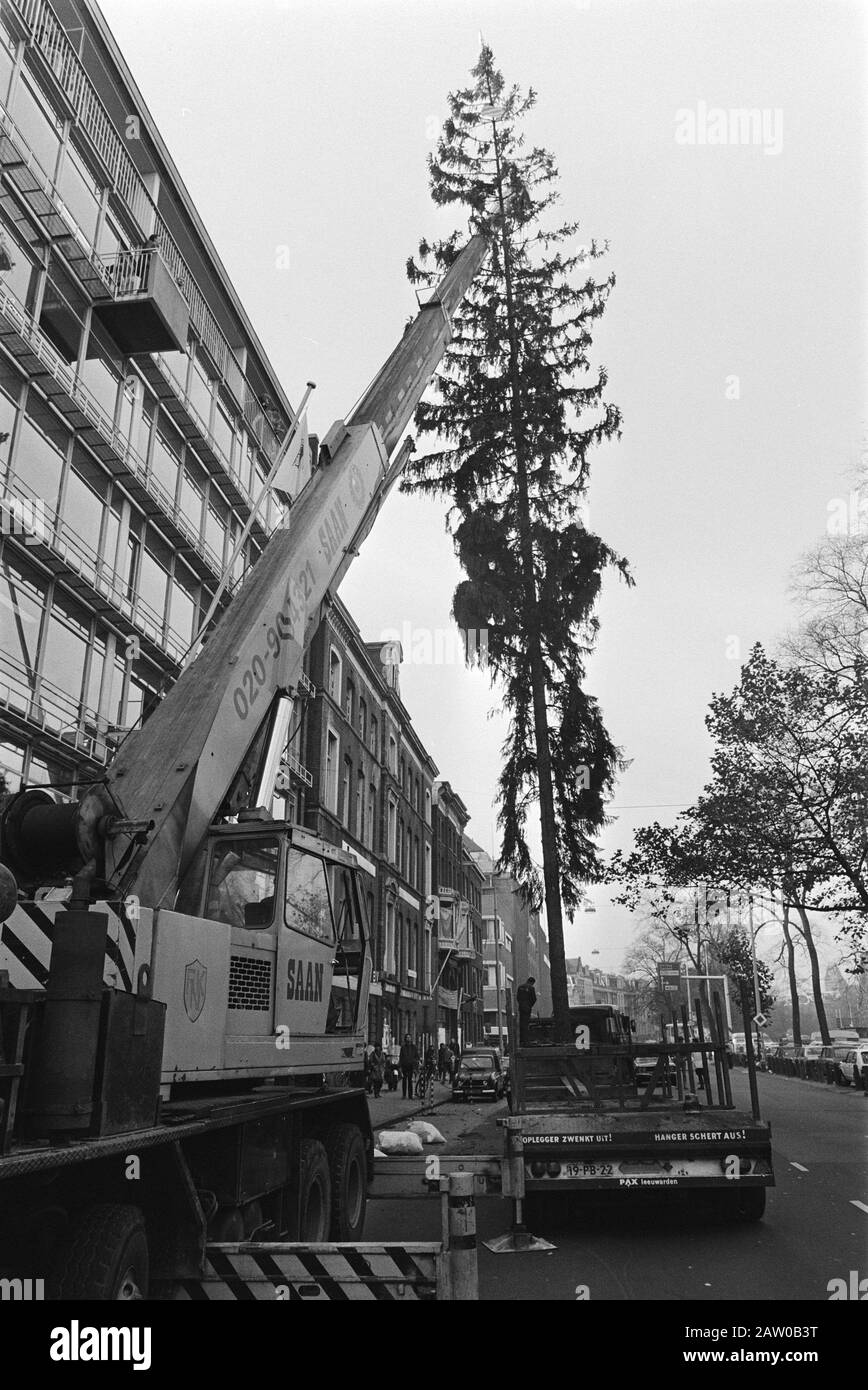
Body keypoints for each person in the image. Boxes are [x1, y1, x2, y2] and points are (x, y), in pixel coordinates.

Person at [516, 977, 537, 1046]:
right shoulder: (531, 988)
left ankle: (522, 1040)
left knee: (522, 1024)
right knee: (526, 1024)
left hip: (521, 1008)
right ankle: (526, 1041)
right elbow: (534, 999)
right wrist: (529, 1006)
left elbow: (518, 997)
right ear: (532, 982)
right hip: (527, 1009)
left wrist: (521, 1004)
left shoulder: (520, 987)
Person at [399, 1034, 418, 1099]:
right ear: (405, 1039)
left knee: (410, 1081)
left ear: (411, 1039)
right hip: (404, 1065)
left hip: (411, 1066)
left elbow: (416, 1056)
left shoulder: (414, 1047)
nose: (408, 1039)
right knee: (404, 1081)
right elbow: (401, 1057)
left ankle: (410, 1095)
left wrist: (414, 1063)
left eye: (409, 1037)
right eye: (407, 1037)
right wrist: (400, 1066)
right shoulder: (403, 1047)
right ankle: (404, 1095)